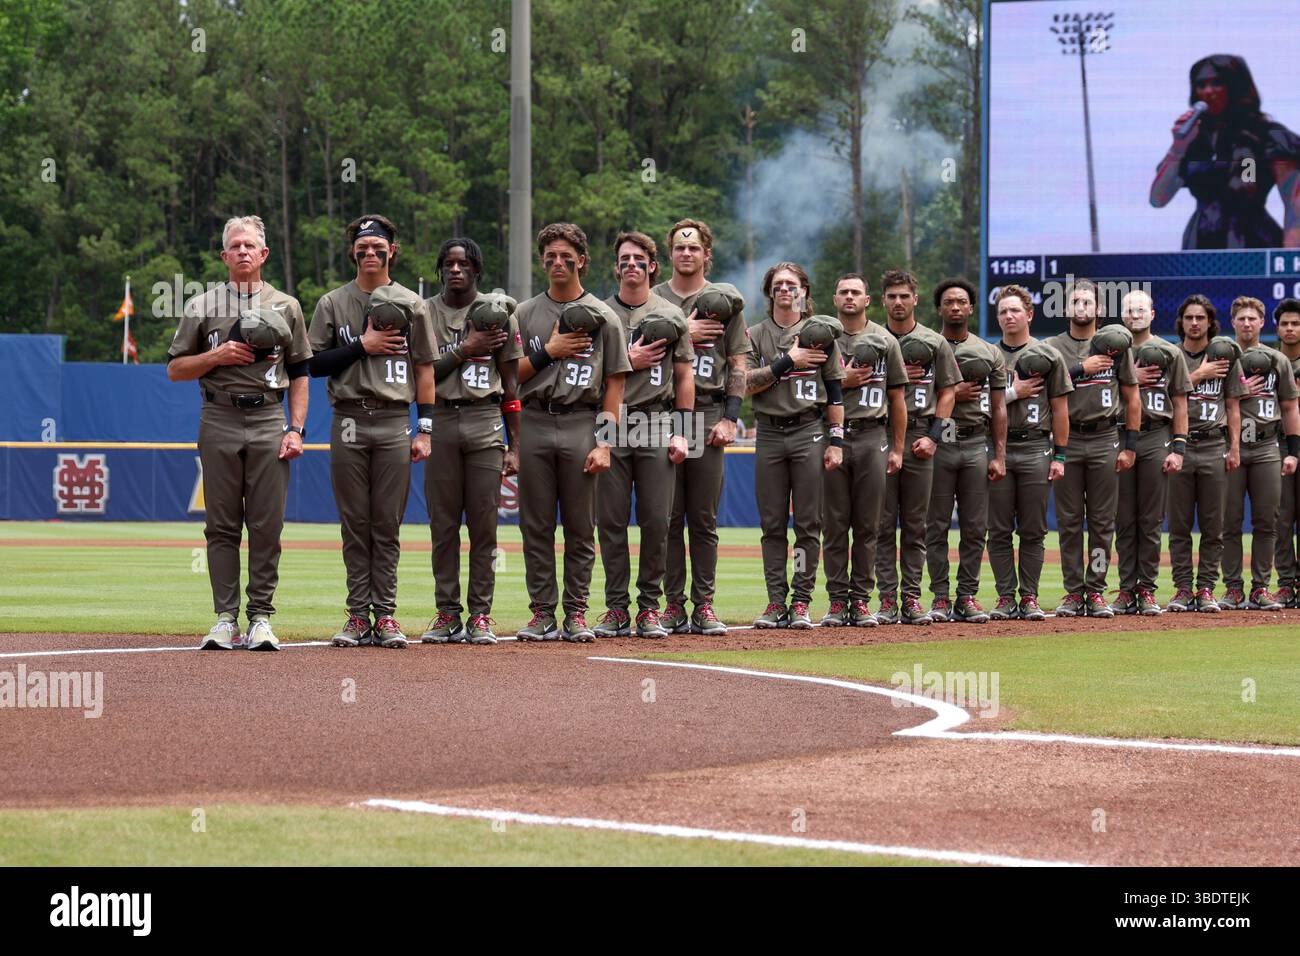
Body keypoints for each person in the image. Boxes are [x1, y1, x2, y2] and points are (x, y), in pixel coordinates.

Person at [168, 215, 311, 652]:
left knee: (266, 524)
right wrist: (216, 355)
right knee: (222, 525)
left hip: (269, 416)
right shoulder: (201, 306)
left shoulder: (287, 305)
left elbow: (301, 370)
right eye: (236, 245)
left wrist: (297, 428)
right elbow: (175, 369)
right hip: (219, 417)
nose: (244, 251)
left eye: (251, 245)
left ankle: (262, 617)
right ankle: (225, 619)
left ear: (264, 254)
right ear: (224, 255)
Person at [309, 214, 436, 648]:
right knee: (354, 521)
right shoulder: (332, 303)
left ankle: (385, 615)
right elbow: (312, 364)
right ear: (353, 252)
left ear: (391, 250)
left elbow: (424, 371)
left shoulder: (413, 304)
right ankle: (357, 615)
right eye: (362, 246)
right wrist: (362, 345)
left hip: (393, 419)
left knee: (387, 522)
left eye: (377, 245)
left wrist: (425, 429)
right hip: (347, 416)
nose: (369, 252)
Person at [513, 223, 630, 642]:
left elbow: (615, 384)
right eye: (550, 256)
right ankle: (543, 612)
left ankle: (577, 612)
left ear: (581, 260)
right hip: (535, 419)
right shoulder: (525, 314)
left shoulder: (604, 316)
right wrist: (550, 350)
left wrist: (606, 442)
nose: (557, 263)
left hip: (583, 420)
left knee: (581, 526)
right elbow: (510, 376)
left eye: (566, 256)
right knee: (536, 525)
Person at [419, 238, 524, 645]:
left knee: (484, 527)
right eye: (448, 263)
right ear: (441, 268)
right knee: (443, 526)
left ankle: (480, 614)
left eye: (464, 264)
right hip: (441, 417)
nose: (456, 270)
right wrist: (465, 349)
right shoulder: (424, 311)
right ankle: (447, 613)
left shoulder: (500, 313)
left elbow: (512, 385)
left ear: (477, 270)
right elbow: (422, 375)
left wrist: (515, 446)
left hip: (484, 418)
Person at [652, 219, 751, 636]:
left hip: (709, 411)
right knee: (667, 517)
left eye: (694, 248)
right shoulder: (654, 299)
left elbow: (739, 364)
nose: (686, 254)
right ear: (669, 253)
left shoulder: (724, 301)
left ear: (706, 254)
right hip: (659, 411)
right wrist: (682, 330)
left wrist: (730, 417)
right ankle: (674, 604)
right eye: (679, 248)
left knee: (703, 518)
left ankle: (704, 604)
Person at [595, 232, 694, 638]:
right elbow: (584, 375)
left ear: (653, 266)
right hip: (609, 420)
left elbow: (685, 377)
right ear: (616, 267)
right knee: (610, 521)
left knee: (657, 520)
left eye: (639, 259)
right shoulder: (599, 312)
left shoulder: (671, 314)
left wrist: (684, 433)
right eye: (625, 259)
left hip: (656, 419)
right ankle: (617, 607)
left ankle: (649, 607)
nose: (632, 265)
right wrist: (626, 359)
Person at [746, 262, 846, 629]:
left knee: (808, 524)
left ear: (804, 290)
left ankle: (801, 600)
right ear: (769, 291)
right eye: (778, 284)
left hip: (809, 429)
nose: (785, 289)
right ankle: (776, 601)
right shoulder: (755, 334)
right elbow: (744, 383)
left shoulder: (820, 332)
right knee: (772, 524)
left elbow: (835, 391)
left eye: (792, 284)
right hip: (769, 431)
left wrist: (837, 441)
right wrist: (789, 360)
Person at [1046, 279, 1140, 618]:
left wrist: (1129, 445)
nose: (1082, 307)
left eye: (1088, 302)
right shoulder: (1053, 346)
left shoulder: (1116, 345)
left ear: (1099, 309)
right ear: (1067, 308)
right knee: (1070, 522)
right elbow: (1041, 387)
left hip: (1104, 437)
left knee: (1102, 523)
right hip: (1067, 440)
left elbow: (1132, 397)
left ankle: (1096, 591)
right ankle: (1074, 592)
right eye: (1076, 302)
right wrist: (1080, 368)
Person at [819, 273, 907, 628]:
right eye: (844, 292)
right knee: (835, 525)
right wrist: (842, 380)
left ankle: (861, 600)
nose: (850, 297)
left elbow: (897, 399)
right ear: (835, 298)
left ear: (868, 300)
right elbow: (809, 389)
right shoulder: (821, 337)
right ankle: (838, 600)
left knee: (869, 526)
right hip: (831, 437)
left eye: (856, 291)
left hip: (872, 434)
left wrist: (897, 448)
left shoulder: (885, 340)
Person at [874, 269, 960, 625]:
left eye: (904, 296)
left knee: (915, 525)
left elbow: (949, 390)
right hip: (878, 434)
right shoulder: (872, 339)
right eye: (891, 296)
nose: (898, 302)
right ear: (882, 301)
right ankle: (885, 600)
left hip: (920, 434)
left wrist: (935, 436)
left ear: (916, 299)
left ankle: (911, 597)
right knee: (879, 524)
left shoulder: (933, 341)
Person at [1150, 54, 1300, 249]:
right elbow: (1157, 199)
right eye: (1201, 85)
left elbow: (1294, 204)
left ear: (1236, 87)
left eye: (1217, 83)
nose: (1208, 91)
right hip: (1200, 245)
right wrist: (1178, 148)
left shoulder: (1267, 135)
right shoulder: (1194, 140)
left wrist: (1290, 262)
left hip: (1250, 243)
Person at [986, 285, 1072, 621]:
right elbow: (979, 406)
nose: (1009, 316)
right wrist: (1012, 391)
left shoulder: (1048, 355)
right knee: (999, 528)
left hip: (1037, 445)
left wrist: (1060, 455)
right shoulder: (988, 355)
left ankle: (1030, 597)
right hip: (999, 448)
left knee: (1034, 529)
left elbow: (1061, 409)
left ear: (1029, 314)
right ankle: (1007, 596)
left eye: (1015, 310)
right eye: (1003, 312)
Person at [926, 277, 1007, 623]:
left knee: (976, 526)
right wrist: (952, 393)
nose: (955, 307)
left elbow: (1000, 407)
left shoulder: (989, 352)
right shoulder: (926, 345)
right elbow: (910, 396)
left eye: (961, 302)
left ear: (971, 308)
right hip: (940, 437)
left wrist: (999, 454)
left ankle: (967, 595)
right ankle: (941, 597)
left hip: (975, 439)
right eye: (948, 302)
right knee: (936, 525)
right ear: (939, 308)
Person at [1112, 290, 1191, 615]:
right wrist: (1126, 378)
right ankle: (1125, 588)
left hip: (1156, 434)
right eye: (1129, 309)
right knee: (1123, 519)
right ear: (1122, 314)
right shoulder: (1111, 350)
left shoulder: (1170, 352)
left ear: (1153, 314)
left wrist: (1179, 447)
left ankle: (1146, 589)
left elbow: (1181, 402)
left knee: (1150, 519)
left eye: (1141, 309)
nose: (1135, 314)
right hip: (1117, 436)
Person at [1220, 296, 1300, 610]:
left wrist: (1293, 450)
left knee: (1268, 522)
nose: (1247, 324)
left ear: (1262, 323)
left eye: (1252, 319)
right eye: (1241, 318)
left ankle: (1260, 589)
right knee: (1230, 522)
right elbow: (1206, 401)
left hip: (1269, 445)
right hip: (1231, 445)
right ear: (1233, 322)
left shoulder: (1276, 360)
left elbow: (1290, 407)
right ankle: (1232, 589)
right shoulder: (1222, 356)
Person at [1166, 294, 1244, 613]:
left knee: (1214, 525)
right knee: (1180, 525)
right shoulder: (1170, 356)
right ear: (1181, 322)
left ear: (1210, 322)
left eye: (1200, 318)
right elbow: (1162, 397)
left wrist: (1235, 447)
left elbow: (1233, 406)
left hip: (1214, 443)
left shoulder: (1224, 356)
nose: (1195, 323)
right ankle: (1184, 589)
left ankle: (1208, 588)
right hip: (1178, 445)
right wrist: (1198, 374)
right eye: (1189, 318)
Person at [1274, 299, 1300, 607]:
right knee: (1281, 519)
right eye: (1285, 324)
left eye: (1295, 324)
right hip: (1278, 445)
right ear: (1277, 327)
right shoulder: (1271, 362)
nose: (1291, 328)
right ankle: (1284, 583)